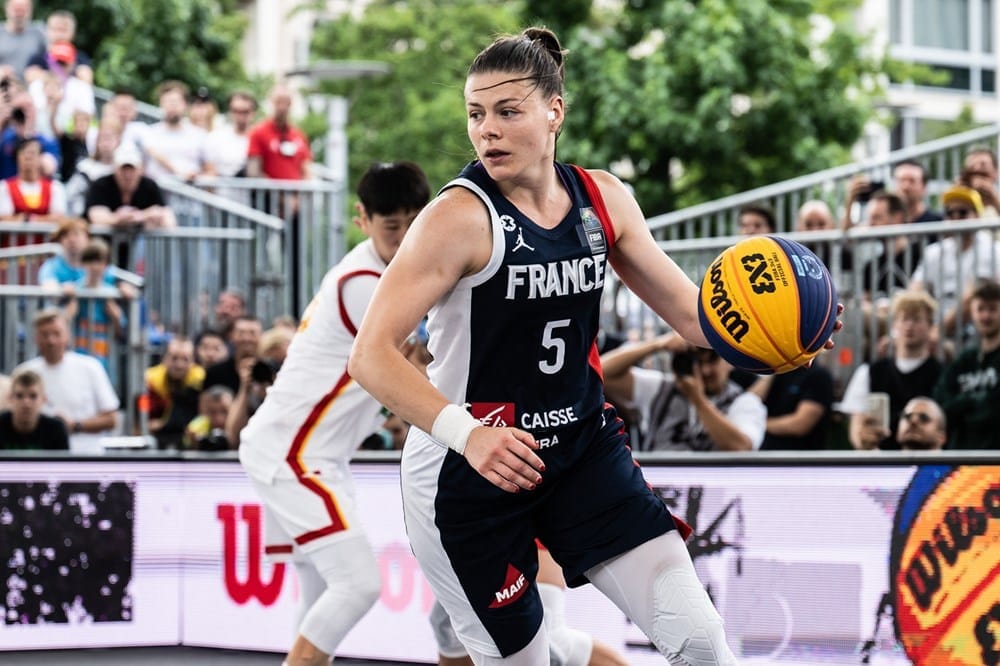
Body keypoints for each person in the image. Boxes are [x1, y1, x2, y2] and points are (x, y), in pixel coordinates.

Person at [348, 28, 836, 664]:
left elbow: (696, 319)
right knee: (530, 658)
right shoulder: (458, 217)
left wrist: (785, 335)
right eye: (475, 114)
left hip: (580, 452)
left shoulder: (604, 199)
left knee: (702, 643)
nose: (486, 130)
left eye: (507, 111)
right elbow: (371, 354)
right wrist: (469, 435)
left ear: (554, 111)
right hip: (469, 470)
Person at [238, 160, 431, 666]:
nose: (405, 236)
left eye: (414, 222)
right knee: (358, 584)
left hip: (308, 451)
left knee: (324, 589)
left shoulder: (378, 273)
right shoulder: (364, 282)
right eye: (392, 226)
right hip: (293, 454)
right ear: (362, 219)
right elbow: (414, 368)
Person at [600, 332, 766, 452]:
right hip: (660, 486)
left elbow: (741, 448)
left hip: (716, 489)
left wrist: (698, 401)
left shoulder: (745, 402)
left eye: (712, 360)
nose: (705, 371)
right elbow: (600, 373)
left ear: (730, 361)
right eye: (698, 362)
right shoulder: (661, 388)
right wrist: (659, 344)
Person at [839, 290, 943, 450]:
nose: (909, 325)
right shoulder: (869, 372)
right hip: (881, 460)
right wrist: (864, 440)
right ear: (894, 324)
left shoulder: (943, 374)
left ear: (930, 327)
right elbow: (857, 428)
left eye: (916, 319)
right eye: (904, 319)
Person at [16, 308, 119, 453]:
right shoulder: (24, 371)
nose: (51, 341)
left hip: (85, 457)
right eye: (45, 334)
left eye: (56, 333)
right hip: (40, 460)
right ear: (36, 338)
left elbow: (112, 419)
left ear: (68, 335)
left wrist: (75, 426)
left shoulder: (91, 367)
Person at [910, 184, 1000, 337]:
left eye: (963, 212)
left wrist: (937, 333)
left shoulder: (990, 249)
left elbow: (969, 301)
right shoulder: (934, 251)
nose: (956, 217)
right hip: (934, 326)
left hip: (973, 329)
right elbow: (914, 292)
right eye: (950, 212)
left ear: (977, 216)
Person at [933, 278, 1000, 449]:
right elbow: (941, 405)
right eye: (980, 309)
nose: (986, 316)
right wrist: (979, 403)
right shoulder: (964, 360)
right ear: (971, 313)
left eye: (993, 309)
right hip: (960, 456)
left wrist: (963, 405)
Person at [751, 363, 835, 451]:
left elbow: (800, 425)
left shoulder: (818, 375)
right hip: (763, 453)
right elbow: (749, 402)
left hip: (799, 455)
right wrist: (770, 372)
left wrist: (758, 424)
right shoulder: (776, 374)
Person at [144, 336, 204, 449]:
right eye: (174, 358)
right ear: (164, 359)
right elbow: (140, 422)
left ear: (193, 362)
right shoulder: (149, 381)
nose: (179, 365)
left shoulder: (200, 382)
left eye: (185, 359)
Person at [0, 368, 69, 450]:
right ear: (10, 398)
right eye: (19, 396)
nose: (26, 403)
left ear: (44, 399)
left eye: (33, 396)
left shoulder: (56, 429)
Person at [0, 0, 45, 78]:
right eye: (16, 9)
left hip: (33, 83)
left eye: (23, 10)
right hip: (5, 83)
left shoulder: (40, 32)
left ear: (30, 10)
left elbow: (53, 60)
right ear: (6, 9)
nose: (19, 14)